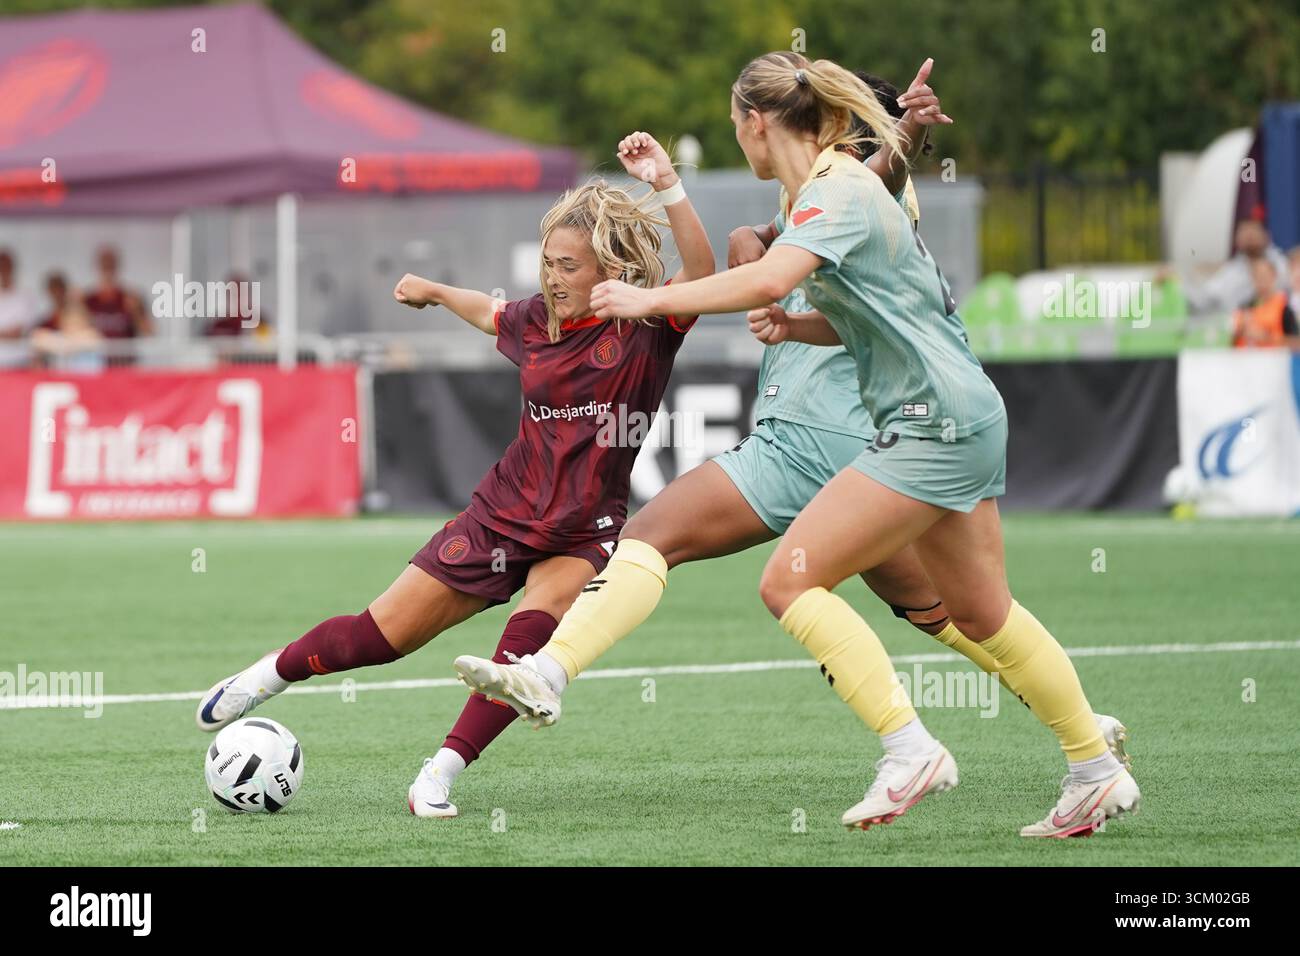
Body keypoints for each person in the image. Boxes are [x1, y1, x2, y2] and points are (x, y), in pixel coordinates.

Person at [461, 53, 1140, 838]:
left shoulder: (837, 192)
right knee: (983, 616)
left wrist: (653, 296)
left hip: (926, 423)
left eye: (733, 128)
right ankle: (1093, 765)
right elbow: (869, 304)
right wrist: (800, 324)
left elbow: (762, 277)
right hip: (963, 413)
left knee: (790, 581)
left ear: (756, 123)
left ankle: (909, 748)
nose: (738, 143)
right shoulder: (831, 191)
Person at [193, 131, 717, 819]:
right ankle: (267, 675)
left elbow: (705, 273)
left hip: (581, 531)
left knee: (519, 659)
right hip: (499, 515)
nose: (553, 277)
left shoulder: (646, 323)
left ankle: (436, 776)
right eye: (547, 262)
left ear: (608, 269)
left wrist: (668, 185)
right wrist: (438, 292)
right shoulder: (537, 320)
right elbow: (492, 311)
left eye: (568, 265)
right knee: (374, 639)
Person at [1188, 220, 1289, 316]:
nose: (1250, 238)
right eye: (1246, 234)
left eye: (1254, 232)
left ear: (1265, 235)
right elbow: (1204, 297)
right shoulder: (1230, 273)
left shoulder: (1282, 266)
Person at [83, 246, 153, 339]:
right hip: (97, 353)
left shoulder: (130, 297)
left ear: (116, 266)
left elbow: (150, 332)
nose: (108, 269)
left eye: (111, 265)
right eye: (105, 265)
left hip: (124, 352)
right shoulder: (88, 300)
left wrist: (136, 312)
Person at [1231, 257, 1300, 348]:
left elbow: (1296, 344)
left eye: (1264, 275)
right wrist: (1238, 332)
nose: (1261, 281)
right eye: (1257, 276)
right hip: (1246, 359)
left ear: (1274, 275)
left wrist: (1266, 337)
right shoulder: (1244, 307)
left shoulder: (1285, 307)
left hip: (1274, 359)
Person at [0, 248, 40, 341]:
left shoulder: (26, 295)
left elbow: (21, 331)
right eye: (1, 266)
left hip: (20, 353)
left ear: (13, 267)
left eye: (6, 266)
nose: (3, 270)